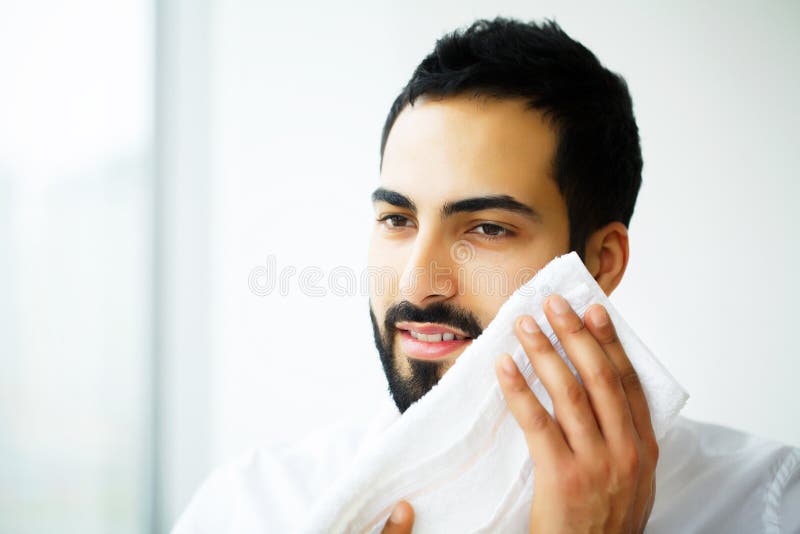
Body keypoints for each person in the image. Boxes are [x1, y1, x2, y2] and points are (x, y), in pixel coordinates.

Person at [172, 17, 799, 533]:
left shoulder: (766, 504)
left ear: (599, 263)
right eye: (397, 218)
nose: (418, 284)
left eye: (487, 228)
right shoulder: (252, 506)